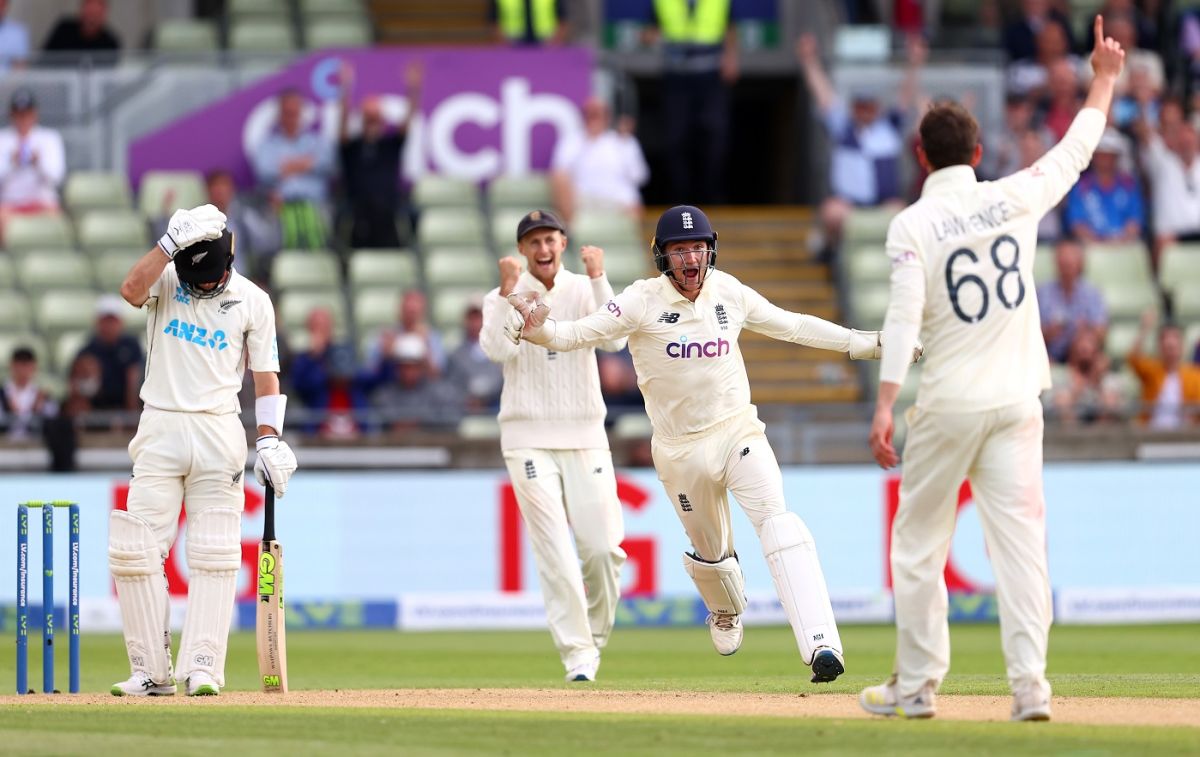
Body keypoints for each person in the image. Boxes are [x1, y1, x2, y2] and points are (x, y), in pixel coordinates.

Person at [507, 205, 918, 684]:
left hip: (737, 432)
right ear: (662, 256)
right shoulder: (641, 300)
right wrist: (538, 328)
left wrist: (872, 344)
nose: (691, 259)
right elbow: (575, 334)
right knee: (713, 553)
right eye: (680, 250)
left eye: (698, 248)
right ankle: (725, 608)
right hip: (679, 451)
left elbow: (792, 325)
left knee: (778, 522)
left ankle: (821, 643)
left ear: (711, 250)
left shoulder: (728, 291)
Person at [862, 17, 1126, 722]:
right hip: (1016, 402)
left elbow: (903, 318)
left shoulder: (911, 225)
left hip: (949, 404)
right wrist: (1103, 78)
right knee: (1022, 549)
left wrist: (885, 403)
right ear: (978, 153)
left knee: (918, 547)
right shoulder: (1012, 194)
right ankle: (1030, 688)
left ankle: (918, 687)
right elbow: (1076, 150)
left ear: (921, 156)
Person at [108, 204, 297, 697]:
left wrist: (269, 438)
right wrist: (168, 245)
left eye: (212, 278)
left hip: (218, 429)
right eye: (197, 279)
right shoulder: (167, 277)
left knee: (215, 552)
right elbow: (129, 290)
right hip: (160, 425)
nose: (205, 286)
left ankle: (204, 667)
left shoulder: (254, 300)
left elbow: (266, 377)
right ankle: (150, 671)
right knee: (134, 549)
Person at [480, 209, 627, 682]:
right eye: (534, 242)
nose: (543, 249)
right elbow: (498, 350)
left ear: (563, 243)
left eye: (550, 240)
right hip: (526, 438)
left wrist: (599, 277)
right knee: (556, 555)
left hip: (585, 435)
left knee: (603, 549)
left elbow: (616, 342)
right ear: (522, 250)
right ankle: (578, 654)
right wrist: (507, 292)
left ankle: (593, 639)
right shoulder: (502, 294)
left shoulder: (584, 289)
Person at [797, 32, 924, 259]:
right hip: (849, 205)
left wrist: (914, 63)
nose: (865, 111)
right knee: (831, 212)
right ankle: (829, 252)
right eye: (860, 106)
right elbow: (824, 96)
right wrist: (809, 61)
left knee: (903, 214)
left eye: (869, 106)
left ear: (877, 108)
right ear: (853, 108)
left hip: (883, 203)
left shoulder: (888, 129)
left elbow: (905, 95)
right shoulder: (844, 129)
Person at [645, 0, 738, 204]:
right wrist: (649, 38)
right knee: (675, 140)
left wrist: (731, 57)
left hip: (711, 78)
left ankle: (712, 198)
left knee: (714, 140)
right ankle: (680, 201)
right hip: (676, 80)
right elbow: (650, 31)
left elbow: (730, 26)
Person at [338, 61, 421, 249]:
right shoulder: (353, 148)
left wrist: (414, 89)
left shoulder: (390, 146)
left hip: (388, 214)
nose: (372, 124)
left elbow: (408, 121)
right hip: (358, 215)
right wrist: (345, 90)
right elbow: (342, 126)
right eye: (368, 119)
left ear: (382, 121)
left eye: (375, 119)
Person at [252, 88, 335, 250]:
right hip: (281, 210)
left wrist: (287, 166)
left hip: (315, 209)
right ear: (280, 115)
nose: (291, 117)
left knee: (324, 247)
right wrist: (306, 163)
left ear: (301, 113)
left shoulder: (316, 141)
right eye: (287, 113)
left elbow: (328, 164)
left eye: (294, 113)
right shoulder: (267, 145)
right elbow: (264, 171)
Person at [550, 96, 648, 222]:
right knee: (560, 179)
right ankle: (570, 229)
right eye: (590, 114)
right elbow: (559, 172)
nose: (594, 118)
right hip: (584, 201)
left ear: (607, 117)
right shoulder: (572, 141)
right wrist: (588, 141)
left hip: (618, 202)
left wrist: (626, 144)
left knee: (634, 205)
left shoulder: (624, 141)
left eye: (598, 114)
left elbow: (640, 177)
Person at [0, 88, 65, 242]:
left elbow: (57, 177)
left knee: (58, 222)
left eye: (27, 113)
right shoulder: (2, 139)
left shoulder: (49, 138)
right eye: (19, 114)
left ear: (35, 114)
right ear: (12, 115)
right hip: (10, 204)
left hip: (43, 203)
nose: (23, 119)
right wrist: (11, 163)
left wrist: (38, 162)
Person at [289, 307, 363, 438]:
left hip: (352, 422)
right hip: (318, 427)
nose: (320, 331)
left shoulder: (344, 352)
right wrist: (314, 357)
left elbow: (364, 379)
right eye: (316, 327)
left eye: (324, 326)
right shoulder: (305, 359)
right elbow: (300, 386)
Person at [1064, 131, 1144, 242]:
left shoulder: (1129, 185)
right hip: (1090, 246)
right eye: (1101, 154)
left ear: (1116, 157)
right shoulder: (1081, 185)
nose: (1105, 159)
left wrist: (1119, 241)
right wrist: (1098, 242)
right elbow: (1077, 222)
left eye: (1109, 155)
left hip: (1124, 245)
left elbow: (1135, 219)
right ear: (1093, 156)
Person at [1037, 239, 1108, 363]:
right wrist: (1048, 332)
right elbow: (1031, 333)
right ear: (1056, 263)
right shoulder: (1043, 292)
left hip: (1082, 355)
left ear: (1080, 264)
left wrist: (1086, 331)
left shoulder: (1092, 293)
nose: (1066, 269)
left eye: (1070, 264)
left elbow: (1101, 331)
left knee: (1087, 347)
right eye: (1063, 263)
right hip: (1049, 353)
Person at [1128, 311, 1200, 429]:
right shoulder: (1151, 370)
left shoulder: (1194, 375)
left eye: (1174, 343)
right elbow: (1133, 358)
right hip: (1151, 432)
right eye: (1165, 344)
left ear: (1182, 346)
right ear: (1159, 346)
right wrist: (1144, 329)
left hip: (1183, 434)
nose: (1170, 347)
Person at [77, 295, 143, 413]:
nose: (109, 326)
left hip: (127, 411)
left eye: (113, 321)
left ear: (121, 322)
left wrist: (132, 413)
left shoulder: (131, 346)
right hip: (97, 412)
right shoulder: (88, 350)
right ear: (97, 322)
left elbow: (134, 381)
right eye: (105, 320)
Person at [446, 298, 503, 412]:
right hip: (464, 411)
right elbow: (451, 386)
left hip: (495, 410)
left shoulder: (502, 351)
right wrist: (468, 399)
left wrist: (485, 398)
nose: (475, 323)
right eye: (472, 318)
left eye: (479, 317)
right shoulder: (456, 355)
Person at [42, 0, 120, 67]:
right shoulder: (64, 30)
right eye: (89, 12)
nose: (91, 19)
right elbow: (45, 59)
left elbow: (108, 73)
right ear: (82, 9)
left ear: (104, 13)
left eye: (96, 14)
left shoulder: (111, 43)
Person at [0, 346, 55, 440]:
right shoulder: (3, 394)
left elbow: (52, 419)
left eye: (27, 367)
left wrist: (38, 408)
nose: (23, 372)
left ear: (34, 367)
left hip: (36, 446)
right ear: (12, 366)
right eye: (19, 367)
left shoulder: (42, 396)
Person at [489, 0, 567, 46]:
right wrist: (503, 44)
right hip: (512, 41)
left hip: (545, 40)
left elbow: (563, 19)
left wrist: (555, 43)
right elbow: (493, 20)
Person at [0, 0, 31, 74]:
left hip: (7, 81)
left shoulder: (18, 32)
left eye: (1, 6)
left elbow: (20, 69)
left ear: (6, 6)